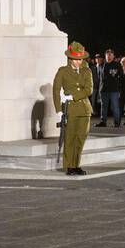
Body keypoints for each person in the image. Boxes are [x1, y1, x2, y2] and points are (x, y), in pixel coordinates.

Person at [53, 41, 94, 176]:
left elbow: (89, 90)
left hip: (84, 109)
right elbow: (56, 90)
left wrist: (73, 96)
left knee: (80, 138)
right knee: (70, 138)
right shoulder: (63, 71)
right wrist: (58, 109)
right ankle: (70, 166)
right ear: (70, 58)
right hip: (70, 110)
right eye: (76, 59)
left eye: (80, 59)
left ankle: (77, 165)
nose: (78, 62)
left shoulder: (87, 70)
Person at [96, 50, 122, 128]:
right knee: (103, 107)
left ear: (113, 56)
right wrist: (99, 90)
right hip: (103, 90)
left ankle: (117, 123)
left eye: (110, 55)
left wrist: (118, 87)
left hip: (114, 90)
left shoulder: (117, 65)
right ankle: (103, 122)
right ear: (105, 56)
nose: (109, 56)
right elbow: (100, 78)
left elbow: (121, 76)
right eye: (107, 55)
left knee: (115, 107)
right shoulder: (101, 65)